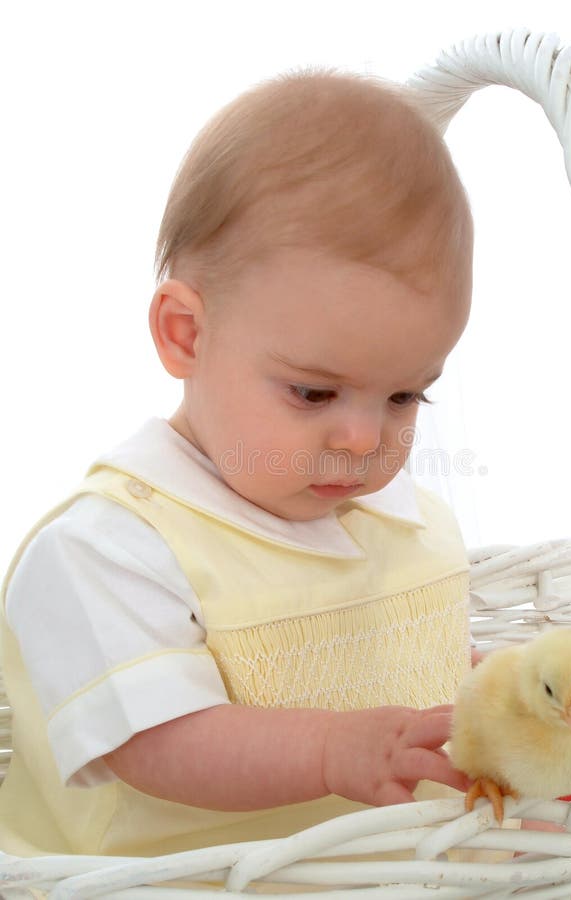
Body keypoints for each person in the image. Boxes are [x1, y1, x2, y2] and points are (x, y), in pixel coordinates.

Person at [0, 66, 474, 857]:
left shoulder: (397, 522)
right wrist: (330, 750)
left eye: (404, 397)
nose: (363, 440)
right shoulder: (112, 548)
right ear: (187, 336)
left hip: (385, 867)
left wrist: (491, 706)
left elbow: (410, 668)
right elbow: (150, 743)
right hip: (170, 878)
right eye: (314, 393)